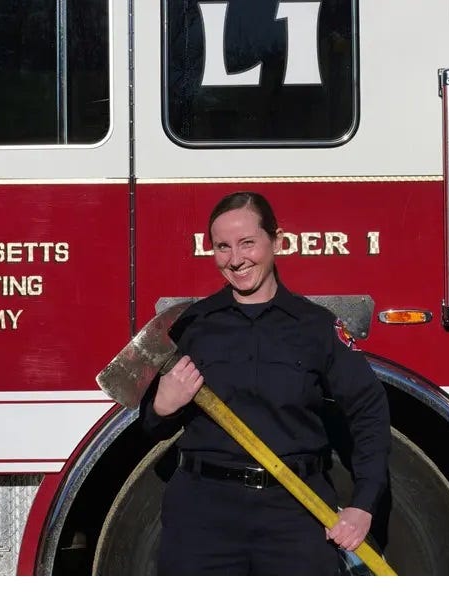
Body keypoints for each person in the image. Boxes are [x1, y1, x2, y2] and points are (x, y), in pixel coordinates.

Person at [141, 191, 391, 576]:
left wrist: (363, 504)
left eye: (247, 243)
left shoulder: (316, 327)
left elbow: (368, 409)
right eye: (222, 247)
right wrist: (162, 405)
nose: (235, 259)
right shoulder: (191, 325)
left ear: (276, 241)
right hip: (203, 518)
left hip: (295, 515)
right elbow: (149, 423)